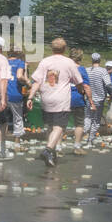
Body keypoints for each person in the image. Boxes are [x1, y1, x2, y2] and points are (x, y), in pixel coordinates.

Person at [27, 38, 90, 168]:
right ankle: (48, 149)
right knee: (59, 127)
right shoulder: (69, 62)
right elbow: (79, 82)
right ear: (64, 49)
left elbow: (36, 81)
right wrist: (81, 91)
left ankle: (52, 154)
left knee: (50, 126)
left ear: (52, 48)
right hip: (61, 100)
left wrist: (30, 97)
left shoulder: (45, 61)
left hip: (46, 99)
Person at [84, 52, 111, 147]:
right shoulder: (103, 71)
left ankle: (82, 132)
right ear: (99, 60)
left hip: (89, 98)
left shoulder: (87, 70)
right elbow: (108, 84)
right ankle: (89, 141)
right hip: (99, 100)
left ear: (92, 60)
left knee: (87, 117)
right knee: (96, 120)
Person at [5, 48, 28, 139]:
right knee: (18, 118)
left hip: (3, 93)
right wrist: (27, 82)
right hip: (15, 94)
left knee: (0, 119)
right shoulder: (20, 62)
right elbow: (19, 76)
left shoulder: (4, 62)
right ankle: (17, 143)